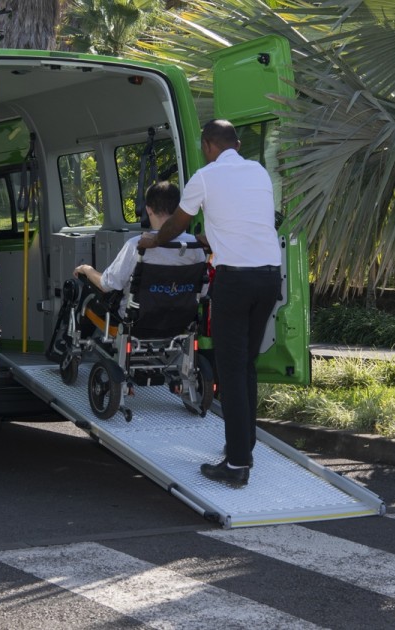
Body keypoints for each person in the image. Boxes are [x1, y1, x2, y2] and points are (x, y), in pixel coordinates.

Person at [138, 119, 281, 487]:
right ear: (236, 144)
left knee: (230, 370)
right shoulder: (259, 172)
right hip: (269, 278)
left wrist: (154, 240)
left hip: (236, 281)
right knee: (245, 364)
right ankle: (244, 446)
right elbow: (243, 221)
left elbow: (175, 225)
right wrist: (210, 236)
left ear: (207, 146)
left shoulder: (204, 177)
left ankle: (236, 465)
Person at [73, 180, 206, 334]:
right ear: (178, 209)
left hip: (137, 323)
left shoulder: (137, 245)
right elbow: (202, 291)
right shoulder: (194, 245)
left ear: (148, 209)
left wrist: (86, 269)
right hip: (180, 322)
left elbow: (107, 284)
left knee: (88, 291)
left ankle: (74, 342)